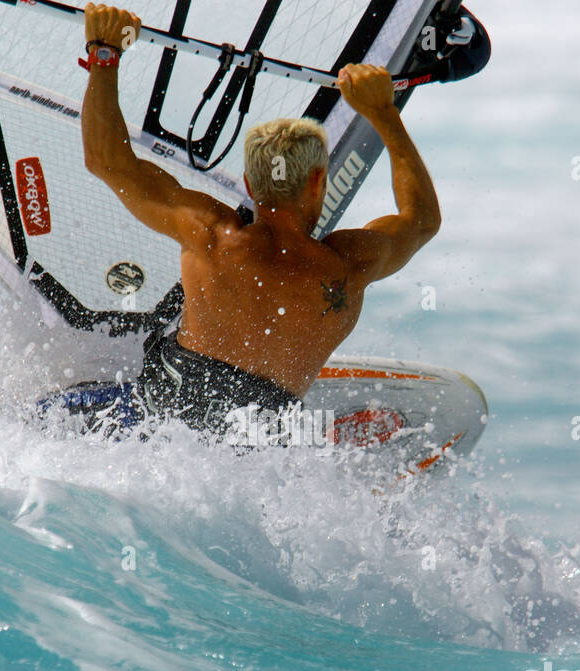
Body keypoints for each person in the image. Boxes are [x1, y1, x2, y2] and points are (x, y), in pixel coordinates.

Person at [79, 2, 441, 437]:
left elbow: (107, 161)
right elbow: (421, 220)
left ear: (249, 185)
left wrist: (105, 55)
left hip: (167, 414)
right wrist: (384, 114)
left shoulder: (210, 234)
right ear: (318, 181)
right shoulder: (348, 265)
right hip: (260, 438)